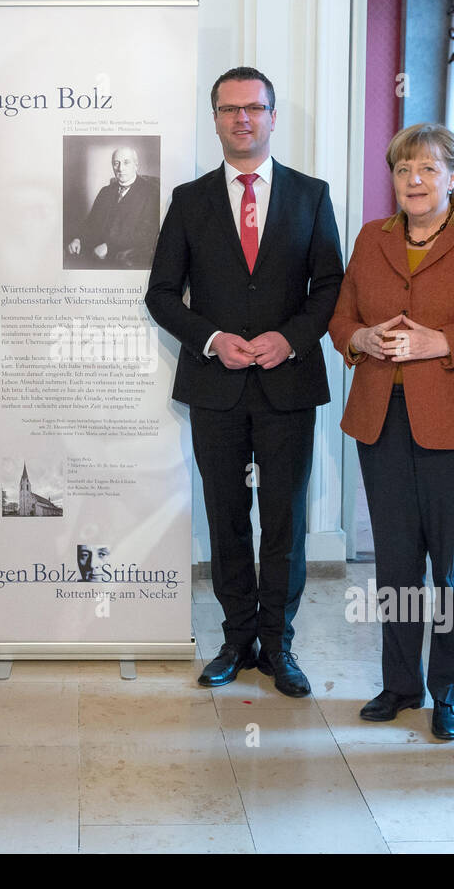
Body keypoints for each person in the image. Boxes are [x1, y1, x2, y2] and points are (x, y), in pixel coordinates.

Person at [146, 66, 344, 696]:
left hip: (287, 383)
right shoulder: (189, 199)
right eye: (230, 109)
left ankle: (279, 646)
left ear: (273, 116)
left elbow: (331, 286)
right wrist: (210, 339)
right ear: (216, 119)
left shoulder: (311, 195)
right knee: (227, 515)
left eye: (254, 108)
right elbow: (160, 293)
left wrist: (291, 337)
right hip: (216, 386)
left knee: (283, 518)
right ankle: (236, 639)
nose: (242, 119)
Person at [328, 124, 454, 741]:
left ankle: (449, 693)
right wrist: (359, 338)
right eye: (404, 170)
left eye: (428, 170)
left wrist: (443, 341)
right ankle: (400, 684)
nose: (414, 181)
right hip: (382, 421)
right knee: (397, 566)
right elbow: (342, 315)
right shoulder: (370, 238)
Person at [67, 146, 160, 269]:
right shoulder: (105, 191)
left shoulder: (151, 192)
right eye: (116, 163)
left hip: (125, 255)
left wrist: (110, 247)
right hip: (94, 251)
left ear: (136, 165)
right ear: (112, 166)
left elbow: (147, 233)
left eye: (126, 162)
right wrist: (78, 239)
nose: (121, 168)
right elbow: (91, 222)